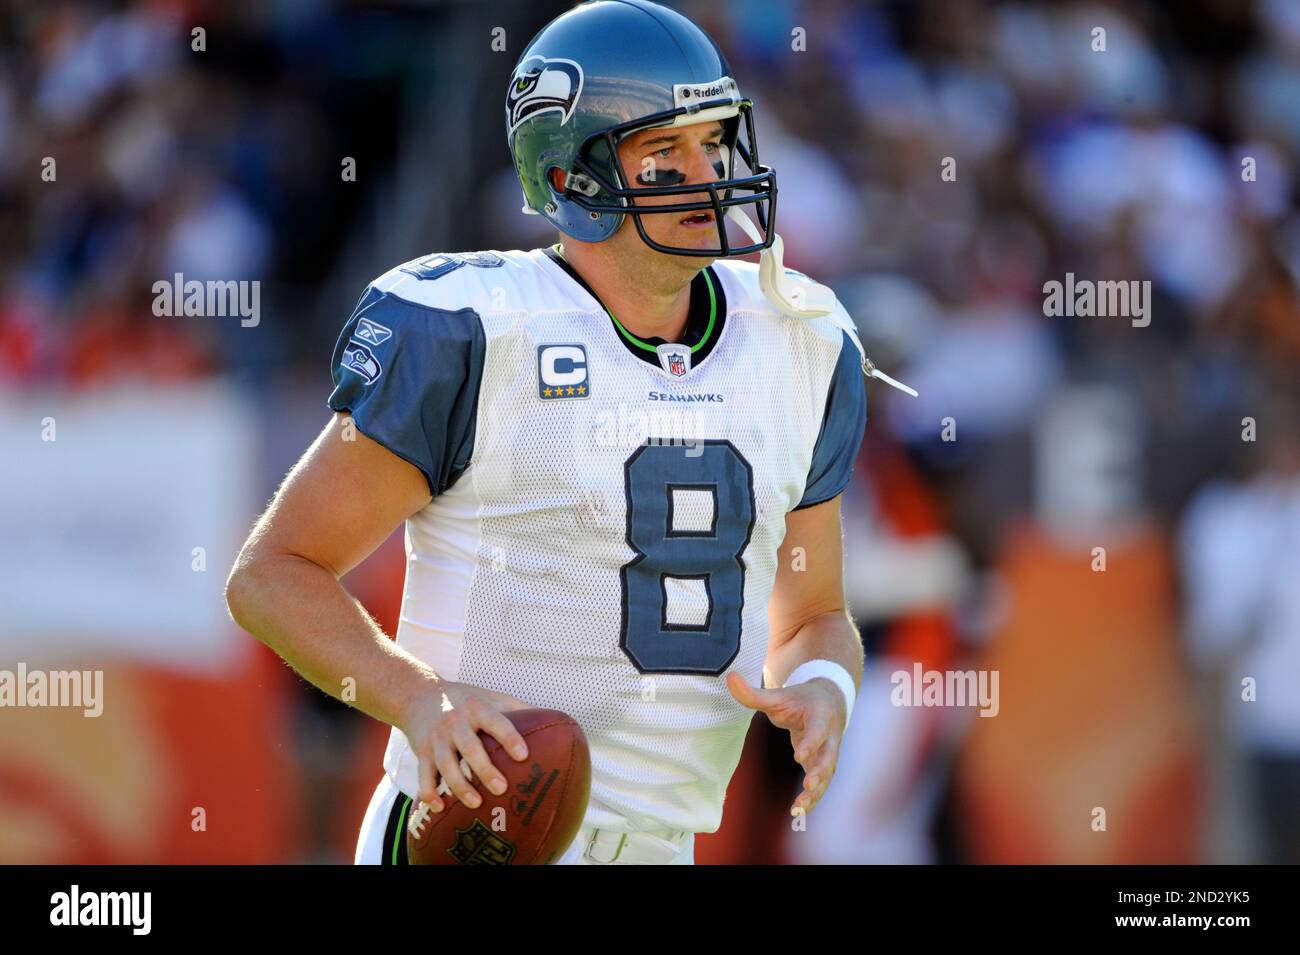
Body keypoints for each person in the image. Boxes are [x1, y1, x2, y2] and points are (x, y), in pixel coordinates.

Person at [226, 0, 883, 865]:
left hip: (665, 848)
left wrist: (825, 686)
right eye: (665, 150)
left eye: (714, 140)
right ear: (574, 179)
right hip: (479, 836)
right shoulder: (474, 332)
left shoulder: (800, 340)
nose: (708, 169)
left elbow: (817, 614)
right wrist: (419, 699)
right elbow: (272, 575)